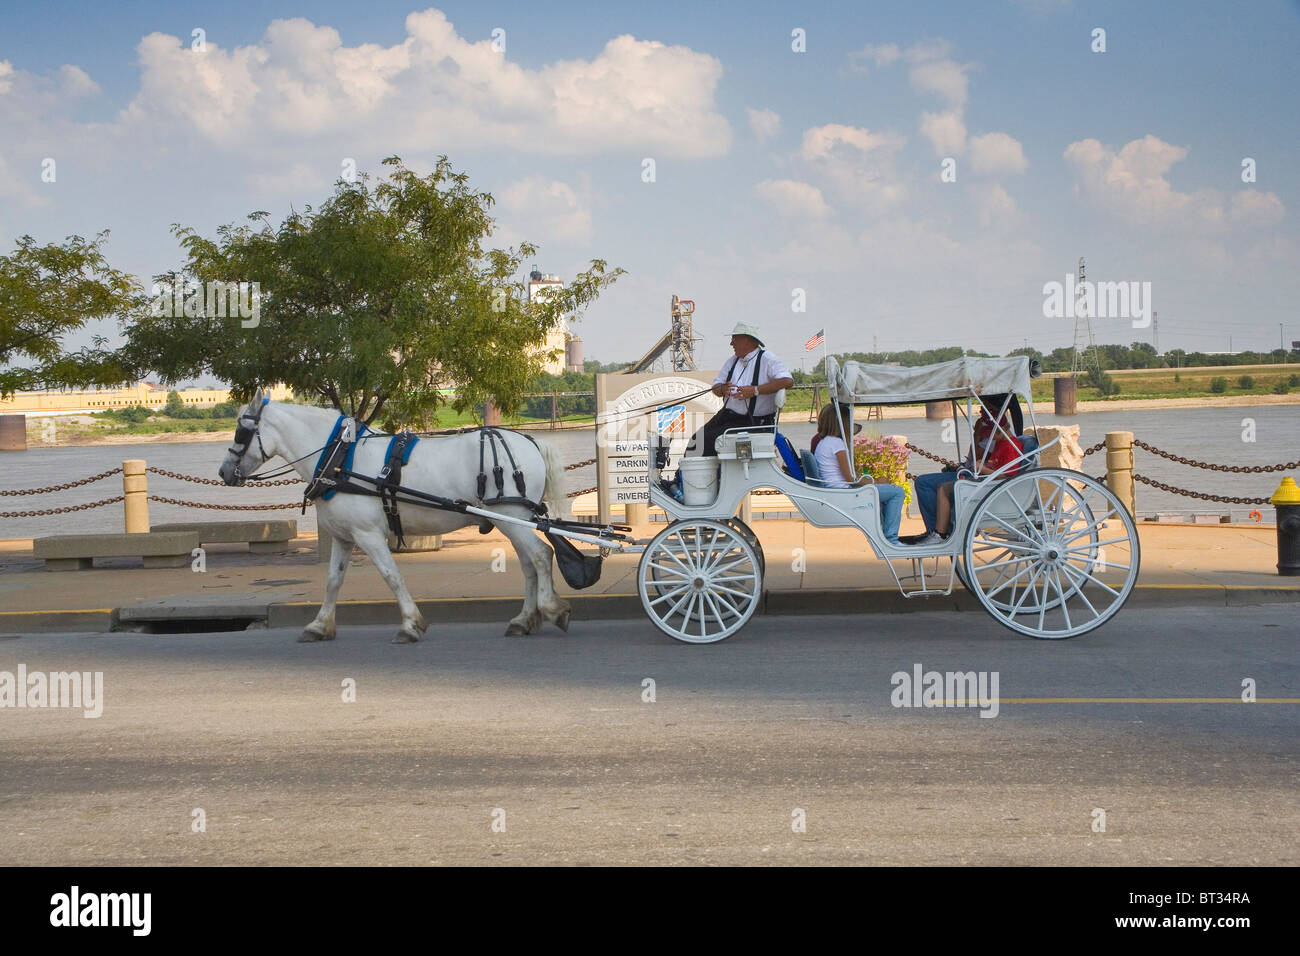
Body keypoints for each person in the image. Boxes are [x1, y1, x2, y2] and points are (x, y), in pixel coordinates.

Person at [916, 404, 1024, 546]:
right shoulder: (1000, 442)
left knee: (944, 488)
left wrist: (983, 468)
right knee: (925, 482)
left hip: (988, 484)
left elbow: (1008, 477)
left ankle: (940, 533)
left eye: (993, 434)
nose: (991, 438)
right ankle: (936, 529)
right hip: (981, 478)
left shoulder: (1010, 447)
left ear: (1002, 430)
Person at [690, 323, 794, 458]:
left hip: (754, 423)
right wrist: (722, 389)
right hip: (727, 417)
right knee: (696, 441)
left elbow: (787, 381)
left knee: (708, 440)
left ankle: (709, 477)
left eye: (735, 339)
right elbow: (715, 387)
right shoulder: (732, 361)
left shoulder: (767, 359)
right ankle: (685, 477)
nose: (731, 343)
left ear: (747, 340)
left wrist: (755, 390)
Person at [811, 404, 904, 544]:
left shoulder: (823, 443)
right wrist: (872, 483)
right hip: (843, 492)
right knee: (897, 492)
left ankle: (884, 535)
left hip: (834, 489)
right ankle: (891, 538)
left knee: (885, 492)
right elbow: (850, 479)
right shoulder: (837, 444)